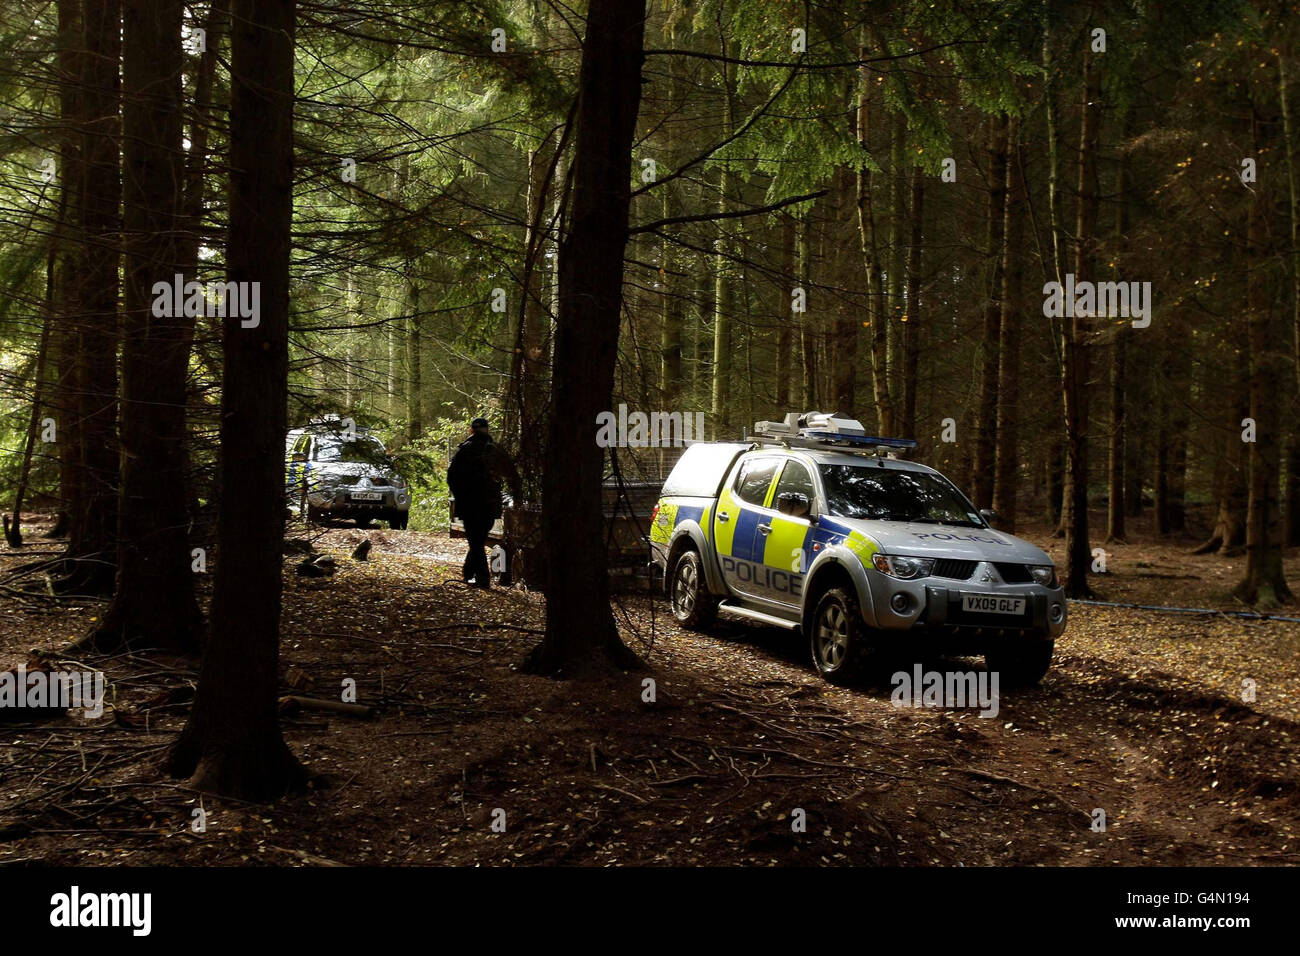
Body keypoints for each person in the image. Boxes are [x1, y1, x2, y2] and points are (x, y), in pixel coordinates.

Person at [447, 417, 520, 588]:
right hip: (490, 505)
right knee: (477, 540)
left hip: (470, 505)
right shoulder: (496, 451)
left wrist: (461, 496)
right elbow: (512, 475)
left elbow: (452, 478)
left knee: (476, 541)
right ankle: (468, 573)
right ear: (487, 430)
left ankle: (482, 580)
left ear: (471, 431)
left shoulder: (464, 450)